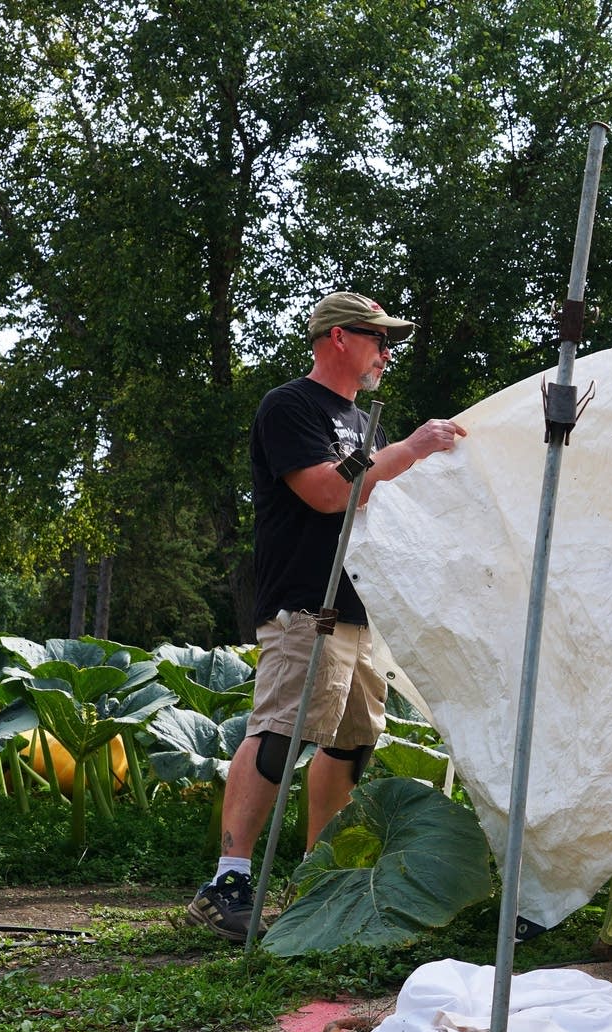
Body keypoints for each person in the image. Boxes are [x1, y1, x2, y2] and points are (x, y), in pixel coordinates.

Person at [188, 291, 469, 941]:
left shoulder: (359, 421)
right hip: (304, 606)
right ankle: (226, 881)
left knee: (351, 740)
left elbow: (380, 500)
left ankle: (316, 879)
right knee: (282, 731)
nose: (386, 352)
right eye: (377, 337)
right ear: (338, 338)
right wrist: (411, 448)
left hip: (356, 608)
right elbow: (326, 492)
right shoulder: (289, 406)